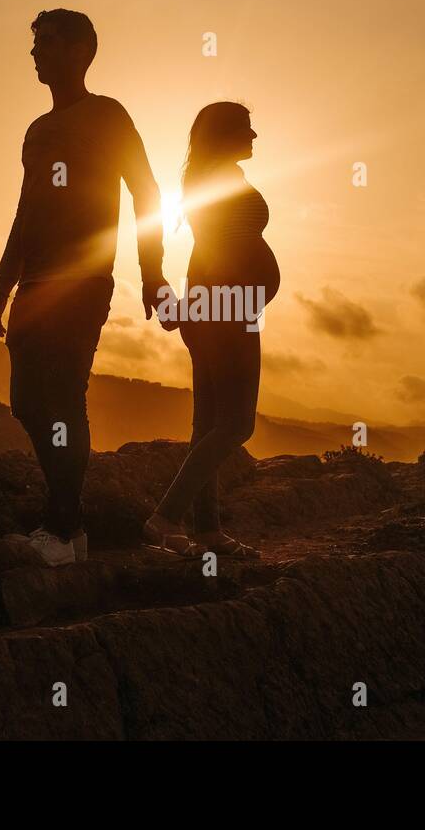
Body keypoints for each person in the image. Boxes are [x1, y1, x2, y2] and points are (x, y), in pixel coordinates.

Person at [0, 9, 168, 566]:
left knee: (63, 399)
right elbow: (25, 212)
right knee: (25, 405)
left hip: (84, 280)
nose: (35, 52)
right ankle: (71, 524)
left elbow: (147, 191)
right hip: (34, 284)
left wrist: (152, 274)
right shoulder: (36, 132)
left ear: (81, 51)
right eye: (34, 42)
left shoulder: (108, 115)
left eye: (46, 42)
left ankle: (62, 529)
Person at [143, 102, 279, 559]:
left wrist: (192, 305)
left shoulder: (215, 178)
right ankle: (166, 517)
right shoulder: (218, 182)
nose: (255, 135)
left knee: (207, 425)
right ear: (223, 134)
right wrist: (209, 306)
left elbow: (211, 252)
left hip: (217, 307)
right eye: (245, 128)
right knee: (237, 424)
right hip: (228, 310)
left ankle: (207, 531)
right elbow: (218, 254)